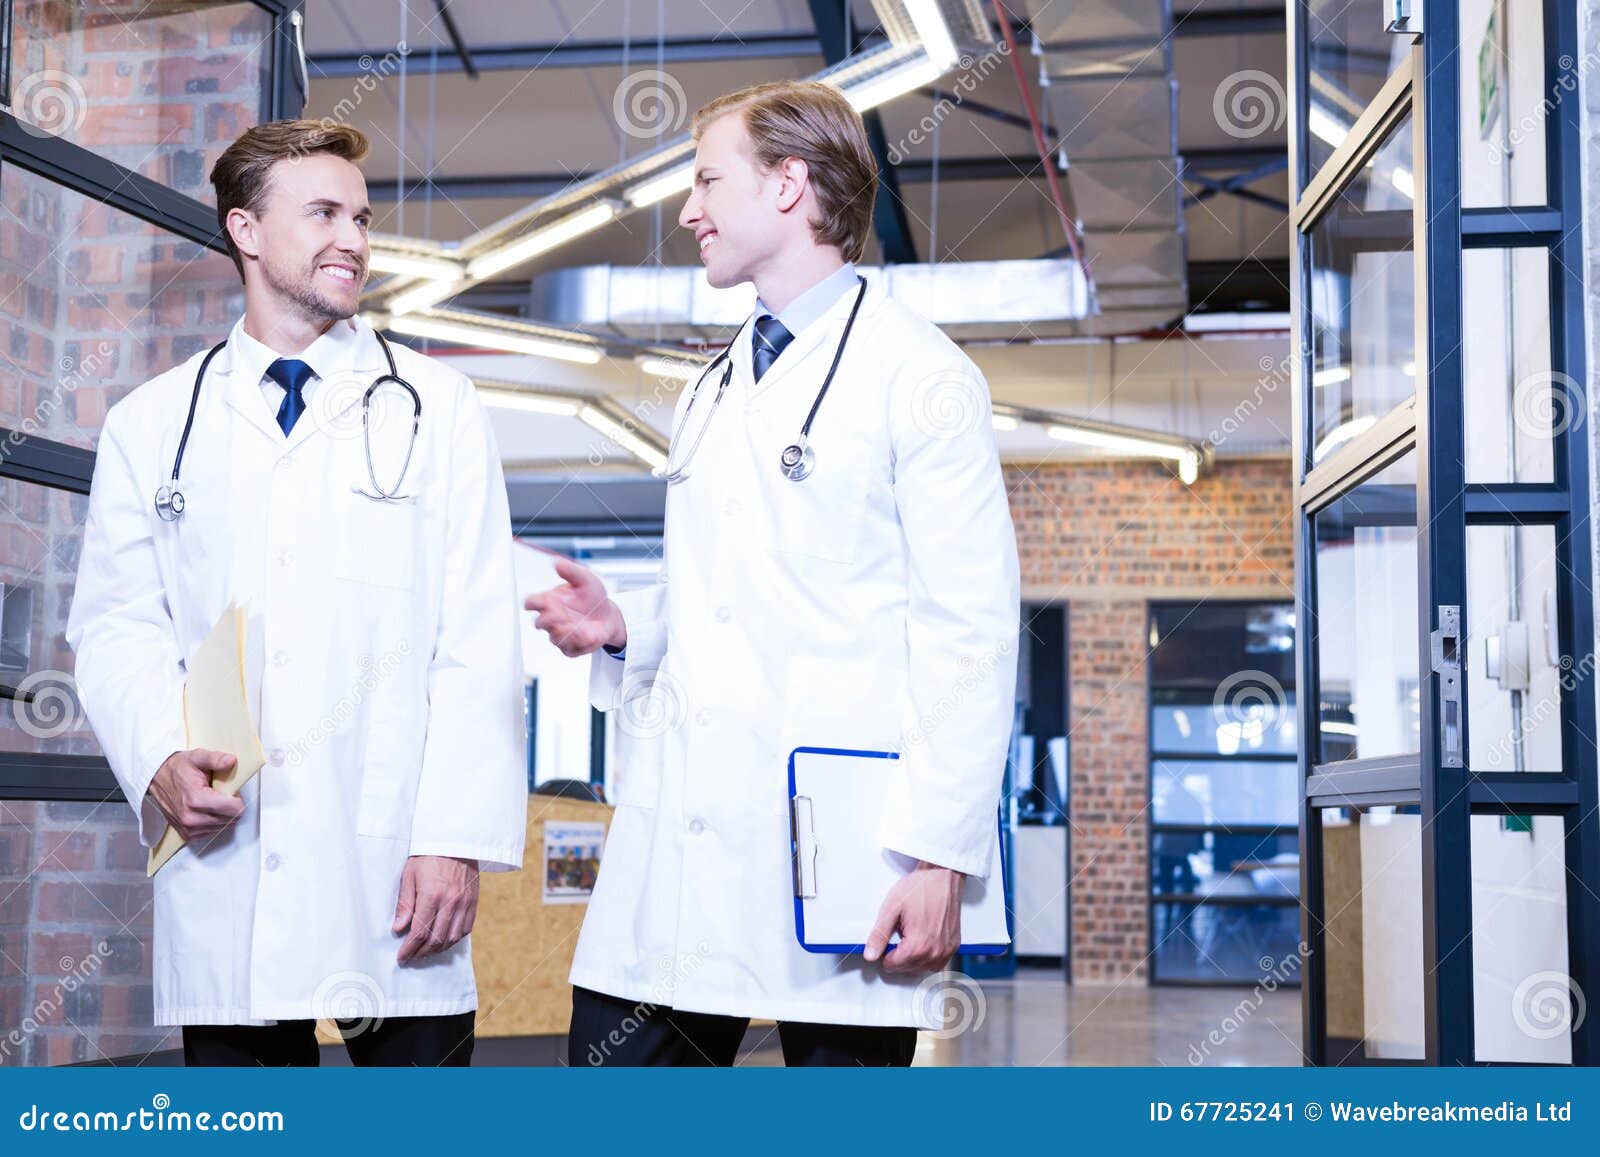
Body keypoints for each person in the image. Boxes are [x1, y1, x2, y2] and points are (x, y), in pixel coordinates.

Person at [527, 81, 1019, 1067]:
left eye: (708, 179)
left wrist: (939, 856)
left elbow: (970, 624)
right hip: (679, 849)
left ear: (790, 183)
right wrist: (625, 626)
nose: (689, 209)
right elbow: (732, 595)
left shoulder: (919, 375)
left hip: (843, 853)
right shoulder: (710, 389)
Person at [66, 119, 527, 1067]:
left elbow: (479, 638)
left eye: (360, 216)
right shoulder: (152, 423)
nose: (353, 239)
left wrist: (452, 836)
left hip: (395, 859)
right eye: (323, 213)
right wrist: (157, 754)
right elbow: (117, 625)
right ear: (245, 230)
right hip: (231, 853)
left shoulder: (438, 411)